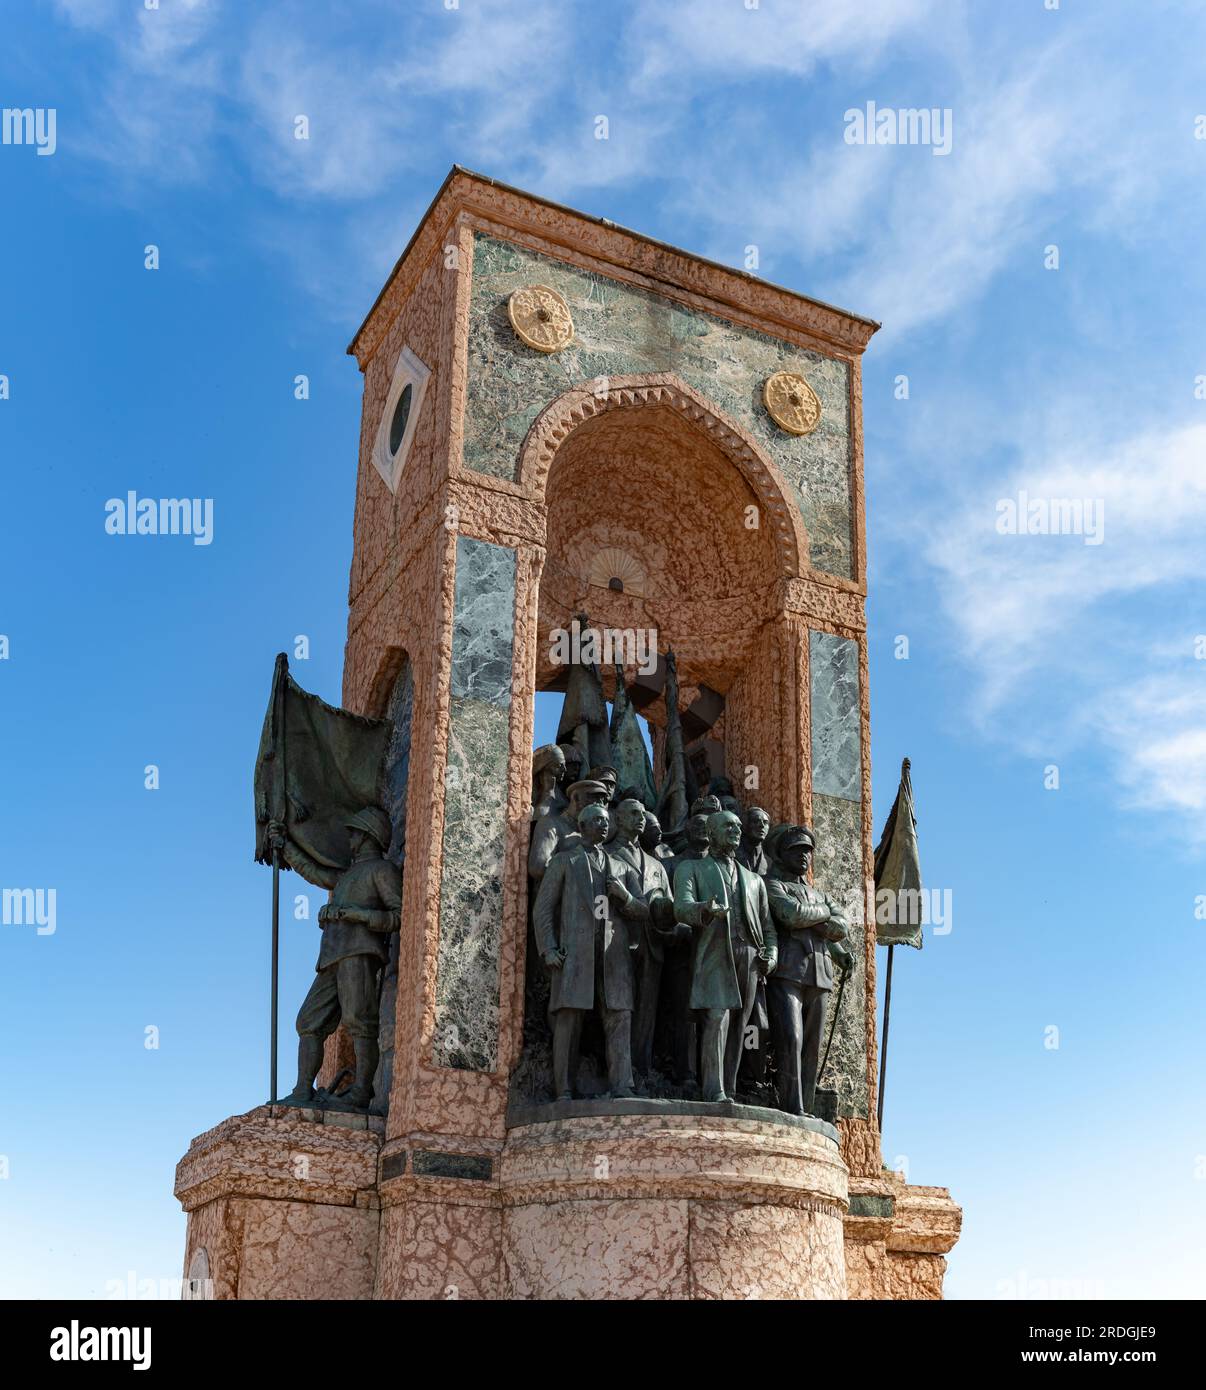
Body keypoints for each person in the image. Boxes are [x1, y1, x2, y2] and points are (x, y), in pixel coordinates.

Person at [269, 807, 401, 1111]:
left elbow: (398, 915)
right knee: (308, 1021)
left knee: (359, 1023)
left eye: (355, 832)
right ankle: (302, 1090)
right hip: (331, 956)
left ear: (368, 836)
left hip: (359, 953)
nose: (350, 837)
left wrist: (352, 915)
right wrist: (284, 846)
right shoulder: (347, 875)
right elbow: (314, 872)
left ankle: (360, 1094)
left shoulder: (381, 871)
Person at [533, 803, 637, 1100]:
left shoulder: (621, 866)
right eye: (595, 820)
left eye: (606, 821)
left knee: (619, 1017)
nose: (603, 825)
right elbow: (543, 909)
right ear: (582, 825)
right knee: (569, 1019)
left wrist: (626, 897)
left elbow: (641, 909)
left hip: (612, 955)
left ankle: (622, 1085)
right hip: (574, 953)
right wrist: (548, 948)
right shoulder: (564, 861)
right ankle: (563, 1089)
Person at [674, 810, 777, 1102]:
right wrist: (705, 908)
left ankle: (729, 1088)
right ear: (713, 832)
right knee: (717, 1017)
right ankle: (713, 1089)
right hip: (715, 950)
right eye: (728, 826)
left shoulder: (754, 880)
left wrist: (771, 954)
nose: (736, 830)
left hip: (750, 957)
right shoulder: (691, 868)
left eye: (737, 826)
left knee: (740, 1025)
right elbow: (680, 908)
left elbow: (768, 926)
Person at [765, 825, 854, 1117]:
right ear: (782, 854)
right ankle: (791, 1105)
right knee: (791, 1039)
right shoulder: (774, 885)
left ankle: (806, 1106)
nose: (804, 856)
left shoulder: (819, 894)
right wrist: (825, 916)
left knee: (812, 1047)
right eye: (797, 850)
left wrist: (814, 921)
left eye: (807, 851)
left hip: (820, 974)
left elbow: (842, 928)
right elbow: (790, 914)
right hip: (789, 972)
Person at [606, 798, 679, 1081]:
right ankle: (617, 1073)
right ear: (620, 819)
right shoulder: (606, 854)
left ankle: (641, 1070)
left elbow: (668, 905)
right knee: (620, 1009)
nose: (641, 819)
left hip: (653, 943)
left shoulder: (656, 865)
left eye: (643, 815)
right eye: (634, 814)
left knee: (647, 1012)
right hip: (617, 943)